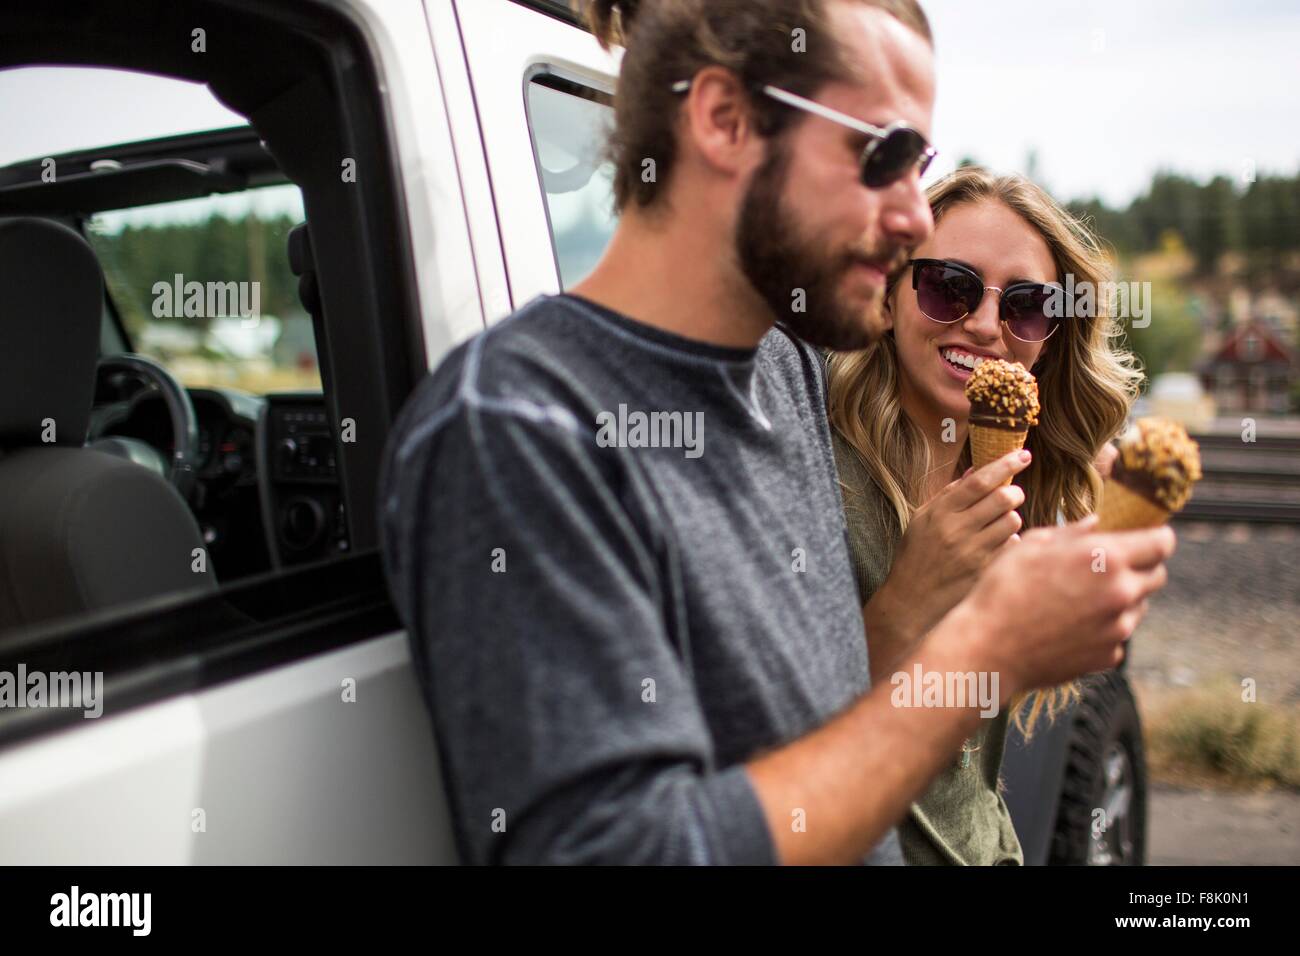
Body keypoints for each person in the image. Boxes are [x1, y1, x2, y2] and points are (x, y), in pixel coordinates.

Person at [379, 0, 1174, 865]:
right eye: (885, 155)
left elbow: (825, 736)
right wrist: (993, 642)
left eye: (924, 165)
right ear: (724, 120)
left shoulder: (787, 376)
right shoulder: (519, 425)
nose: (914, 218)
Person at [827, 166, 1143, 864]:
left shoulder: (1030, 490)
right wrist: (908, 595)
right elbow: (774, 738)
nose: (985, 324)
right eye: (949, 287)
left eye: (1028, 305)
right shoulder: (814, 468)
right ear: (890, 287)